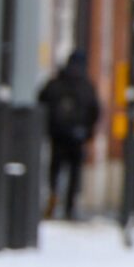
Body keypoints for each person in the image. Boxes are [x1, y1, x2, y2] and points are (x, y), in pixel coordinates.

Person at [38, 50, 101, 221]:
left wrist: (48, 129)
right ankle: (70, 206)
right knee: (75, 172)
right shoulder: (86, 86)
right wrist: (88, 133)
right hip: (77, 136)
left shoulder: (55, 83)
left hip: (57, 135)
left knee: (55, 169)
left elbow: (41, 102)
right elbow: (95, 112)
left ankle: (53, 196)